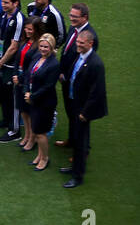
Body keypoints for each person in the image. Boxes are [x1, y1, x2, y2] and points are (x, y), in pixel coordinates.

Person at [61, 30, 105, 189]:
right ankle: (75, 168)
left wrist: (85, 113)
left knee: (81, 142)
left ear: (90, 44)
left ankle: (77, 176)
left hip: (83, 109)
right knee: (76, 139)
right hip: (75, 103)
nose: (77, 45)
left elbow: (97, 92)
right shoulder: (80, 57)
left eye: (81, 43)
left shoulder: (95, 63)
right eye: (77, 42)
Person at [56, 3, 99, 158]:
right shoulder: (73, 29)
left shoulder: (90, 37)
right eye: (71, 14)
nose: (71, 18)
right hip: (67, 81)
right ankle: (72, 140)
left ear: (85, 17)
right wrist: (61, 72)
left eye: (75, 16)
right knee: (70, 113)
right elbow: (67, 53)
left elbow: (83, 65)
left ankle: (82, 151)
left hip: (78, 86)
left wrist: (68, 76)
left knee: (80, 119)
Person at [0, 0, 24, 143]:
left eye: (6, 2)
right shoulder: (5, 15)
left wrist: (0, 62)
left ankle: (14, 130)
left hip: (10, 66)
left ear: (15, 3)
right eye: (2, 2)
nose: (2, 5)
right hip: (0, 62)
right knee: (3, 95)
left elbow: (14, 46)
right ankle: (5, 120)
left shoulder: (18, 19)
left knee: (13, 99)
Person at [23, 33, 60, 172]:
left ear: (51, 47)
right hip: (33, 98)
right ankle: (39, 155)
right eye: (41, 46)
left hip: (44, 103)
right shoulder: (37, 57)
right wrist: (27, 91)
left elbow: (48, 86)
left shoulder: (54, 64)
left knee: (40, 132)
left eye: (46, 47)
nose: (43, 49)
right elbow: (28, 74)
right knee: (36, 129)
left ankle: (45, 158)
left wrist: (32, 97)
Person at [11, 19, 47, 153]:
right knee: (23, 111)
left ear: (37, 30)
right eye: (26, 28)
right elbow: (17, 59)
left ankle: (32, 138)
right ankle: (27, 134)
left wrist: (19, 78)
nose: (27, 31)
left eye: (30, 29)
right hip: (19, 79)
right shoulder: (25, 41)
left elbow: (32, 68)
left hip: (27, 81)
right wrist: (15, 74)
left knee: (29, 111)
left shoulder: (38, 47)